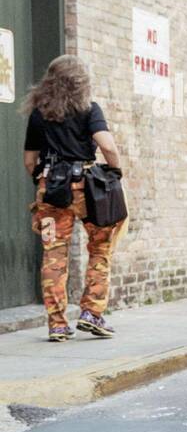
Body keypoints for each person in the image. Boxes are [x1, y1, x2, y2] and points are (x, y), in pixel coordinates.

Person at [20, 55, 125, 342]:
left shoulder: (39, 113)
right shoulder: (89, 109)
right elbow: (107, 146)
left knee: (54, 255)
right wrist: (115, 170)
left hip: (51, 191)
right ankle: (92, 313)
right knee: (100, 247)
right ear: (81, 82)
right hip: (87, 190)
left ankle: (57, 324)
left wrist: (41, 181)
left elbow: (30, 160)